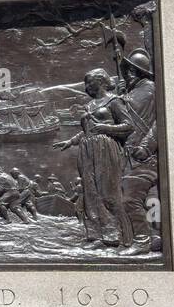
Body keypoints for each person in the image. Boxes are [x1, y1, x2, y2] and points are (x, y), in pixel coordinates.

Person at [54, 68, 131, 248]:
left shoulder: (114, 101)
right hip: (87, 149)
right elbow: (87, 130)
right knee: (90, 194)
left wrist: (106, 128)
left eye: (89, 82)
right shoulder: (89, 106)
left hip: (106, 148)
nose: (86, 86)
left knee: (108, 193)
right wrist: (70, 141)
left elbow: (128, 126)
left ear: (101, 81)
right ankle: (95, 236)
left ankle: (115, 235)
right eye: (85, 83)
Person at [112, 48, 161, 255]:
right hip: (130, 155)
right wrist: (120, 94)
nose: (127, 74)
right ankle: (153, 238)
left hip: (143, 156)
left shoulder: (150, 89)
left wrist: (146, 146)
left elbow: (159, 122)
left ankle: (142, 241)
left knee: (130, 200)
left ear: (138, 72)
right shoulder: (130, 92)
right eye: (126, 70)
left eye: (131, 70)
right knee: (141, 199)